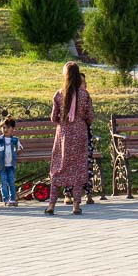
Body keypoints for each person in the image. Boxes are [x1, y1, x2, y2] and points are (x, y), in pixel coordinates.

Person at [48, 62, 94, 216]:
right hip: (80, 134)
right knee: (77, 169)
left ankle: (52, 205)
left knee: (58, 168)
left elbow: (54, 118)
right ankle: (76, 205)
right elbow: (90, 117)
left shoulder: (59, 94)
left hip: (63, 135)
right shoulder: (84, 95)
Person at [0, 115, 22, 207]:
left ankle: (13, 199)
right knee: (3, 182)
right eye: (3, 128)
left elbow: (20, 148)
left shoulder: (15, 140)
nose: (5, 130)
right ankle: (6, 199)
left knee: (12, 182)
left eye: (8, 128)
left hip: (11, 165)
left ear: (12, 129)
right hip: (2, 166)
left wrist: (16, 155)